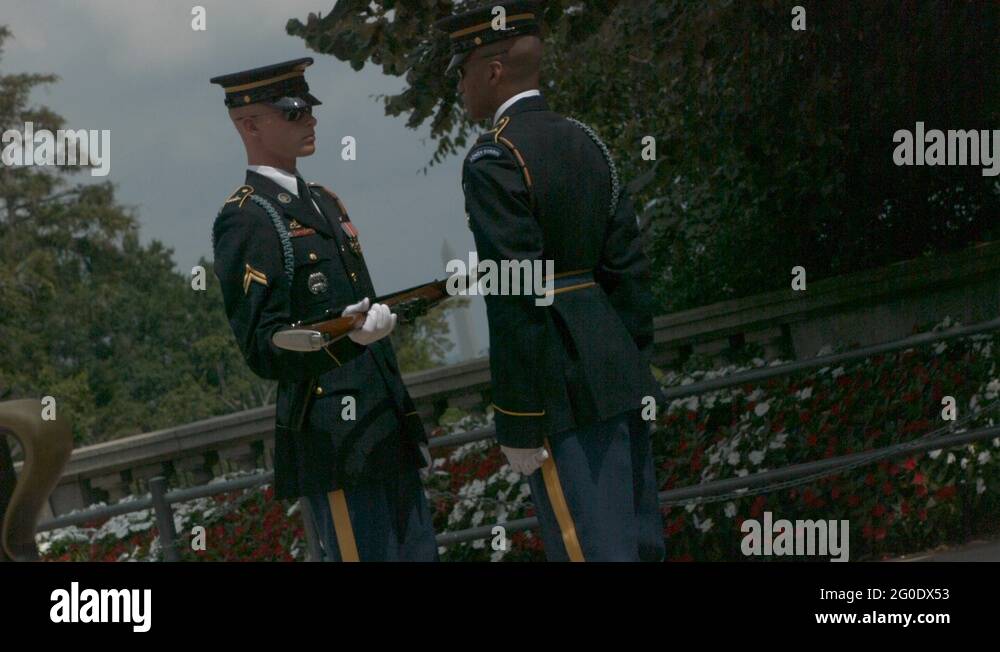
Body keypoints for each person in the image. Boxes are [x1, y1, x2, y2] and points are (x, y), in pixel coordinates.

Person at [435, 1, 666, 561]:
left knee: (588, 548)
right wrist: (629, 362)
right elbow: (628, 271)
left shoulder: (494, 156)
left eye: (462, 73)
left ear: (491, 71)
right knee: (638, 545)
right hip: (615, 374)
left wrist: (517, 418)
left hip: (558, 388)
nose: (460, 90)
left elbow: (515, 294)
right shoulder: (587, 140)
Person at [209, 58, 437, 561]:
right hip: (333, 438)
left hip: (382, 423)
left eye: (308, 109)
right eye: (292, 113)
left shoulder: (326, 202)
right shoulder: (247, 219)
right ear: (250, 125)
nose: (310, 120)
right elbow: (263, 346)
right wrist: (345, 339)